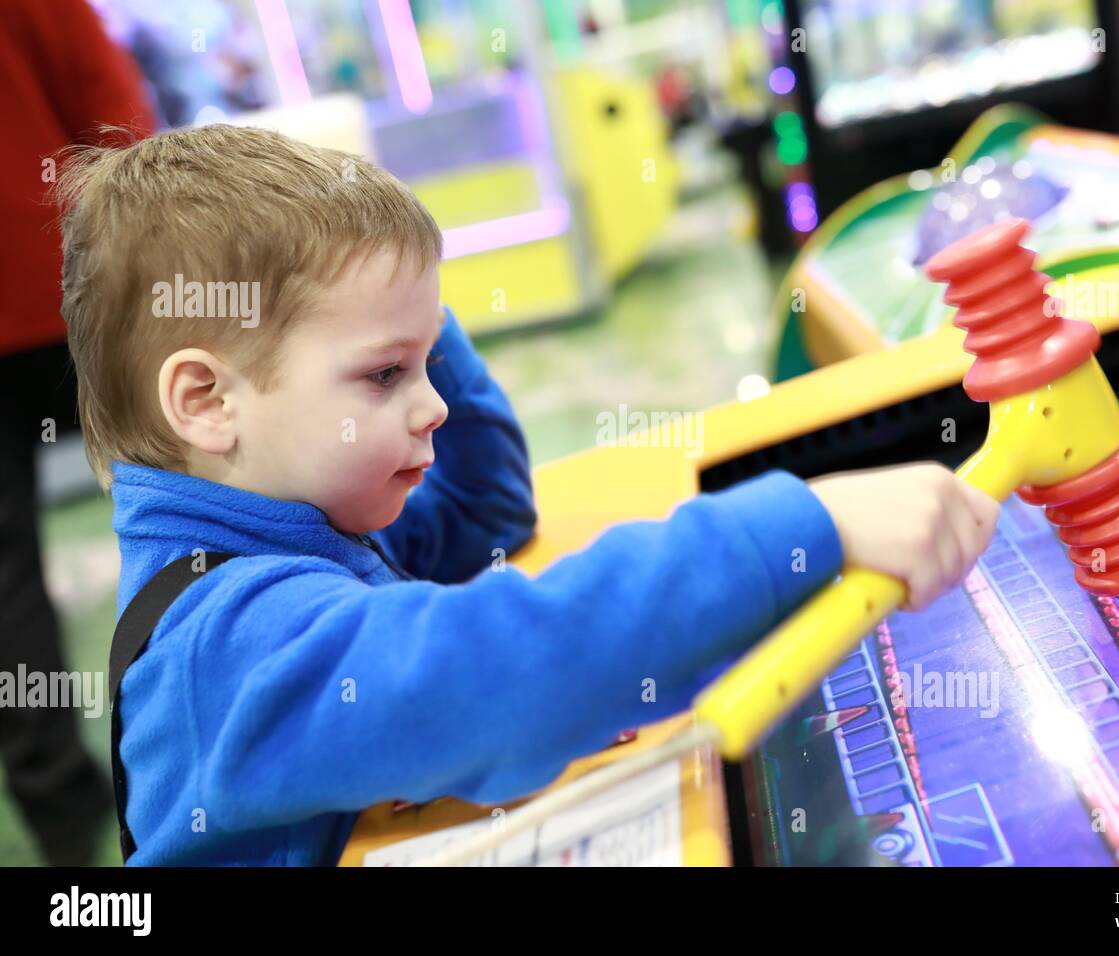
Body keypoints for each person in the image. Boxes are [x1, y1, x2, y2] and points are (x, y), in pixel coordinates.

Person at [56, 123, 999, 865]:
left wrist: (403, 316)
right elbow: (498, 672)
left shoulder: (300, 527)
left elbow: (486, 517)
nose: (433, 406)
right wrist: (804, 526)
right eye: (384, 375)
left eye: (429, 364)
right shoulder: (226, 640)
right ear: (207, 401)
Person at [0, 0, 155, 865]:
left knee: (2, 575)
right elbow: (109, 108)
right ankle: (228, 730)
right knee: (188, 488)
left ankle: (60, 809)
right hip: (74, 271)